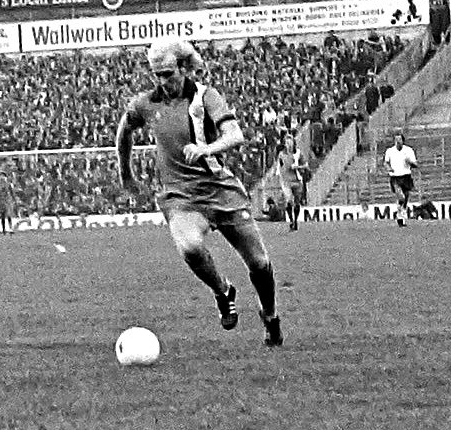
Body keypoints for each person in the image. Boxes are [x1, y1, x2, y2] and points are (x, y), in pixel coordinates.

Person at [114, 38, 283, 346]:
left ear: (184, 67)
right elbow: (124, 130)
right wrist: (126, 173)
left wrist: (207, 148)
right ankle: (223, 291)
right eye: (157, 75)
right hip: (182, 196)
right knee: (190, 247)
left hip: (221, 190)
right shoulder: (146, 104)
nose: (163, 81)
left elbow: (235, 135)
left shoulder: (206, 97)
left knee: (259, 263)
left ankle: (270, 317)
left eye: (168, 74)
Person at [381, 129, 420, 227]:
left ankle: (400, 217)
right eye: (396, 140)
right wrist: (388, 168)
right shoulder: (390, 151)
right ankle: (399, 215)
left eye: (399, 140)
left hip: (406, 176)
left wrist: (410, 162)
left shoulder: (408, 150)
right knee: (401, 197)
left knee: (405, 198)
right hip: (395, 177)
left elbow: (415, 164)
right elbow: (385, 162)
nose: (398, 142)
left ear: (403, 141)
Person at [287, 147, 313, 231]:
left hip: (297, 180)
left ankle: (295, 221)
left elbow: (306, 165)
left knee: (297, 201)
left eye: (289, 142)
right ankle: (291, 220)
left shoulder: (298, 153)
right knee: (288, 201)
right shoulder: (283, 154)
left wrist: (297, 167)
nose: (288, 144)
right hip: (287, 181)